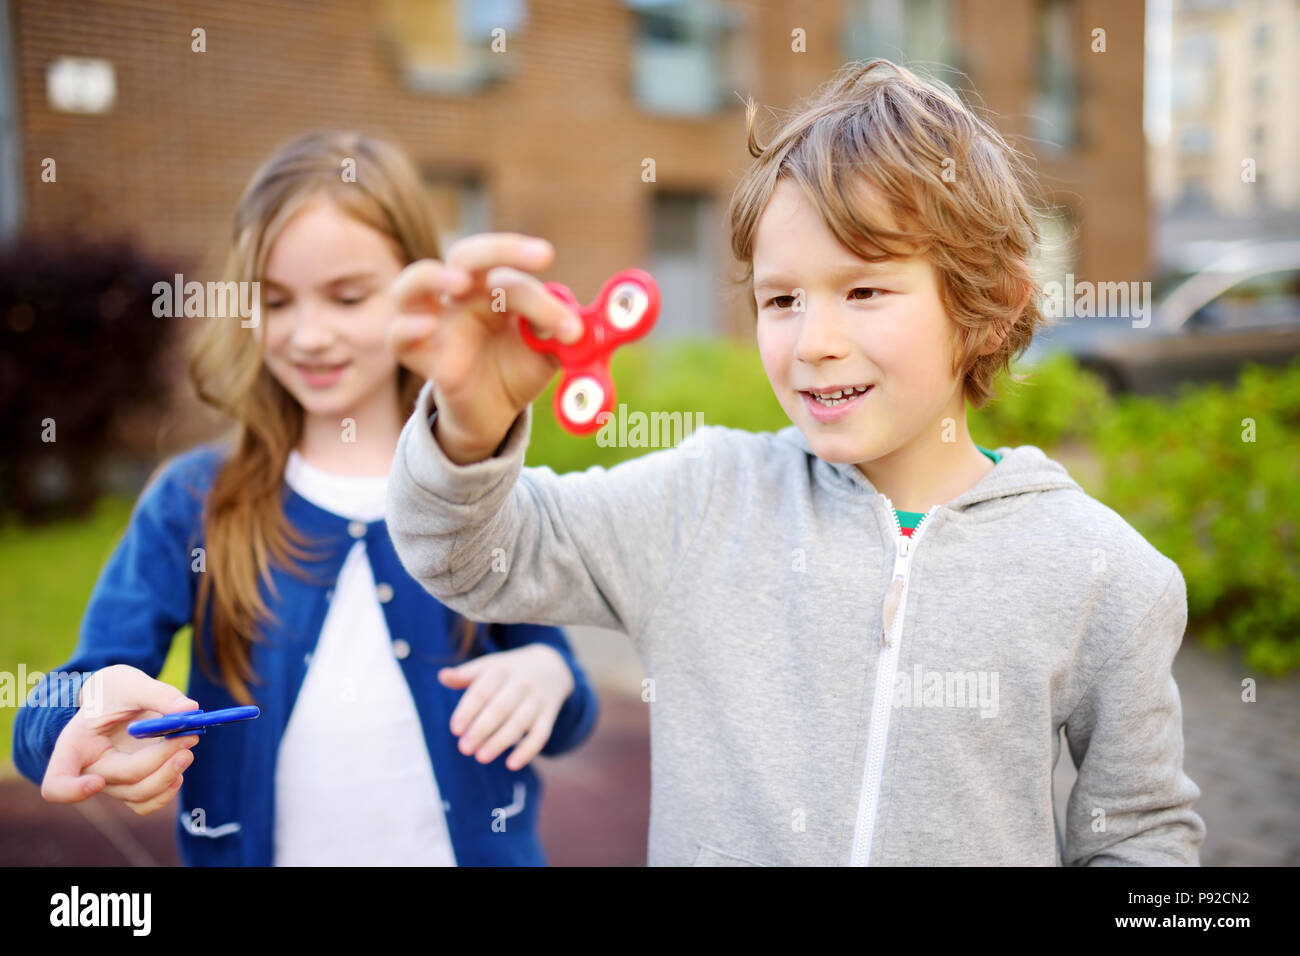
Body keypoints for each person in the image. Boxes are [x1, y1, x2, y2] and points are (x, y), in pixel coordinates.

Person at [382, 60, 1206, 866]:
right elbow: (465, 559)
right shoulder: (699, 502)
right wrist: (470, 425)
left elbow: (1142, 839)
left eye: (865, 291)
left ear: (987, 312)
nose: (812, 342)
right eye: (782, 299)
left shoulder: (1105, 575)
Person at [12, 130, 597, 866]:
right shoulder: (191, 501)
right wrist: (79, 720)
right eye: (276, 301)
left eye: (347, 297)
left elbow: (571, 704)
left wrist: (546, 677)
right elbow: (52, 707)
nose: (309, 335)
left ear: (419, 291)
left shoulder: (481, 487)